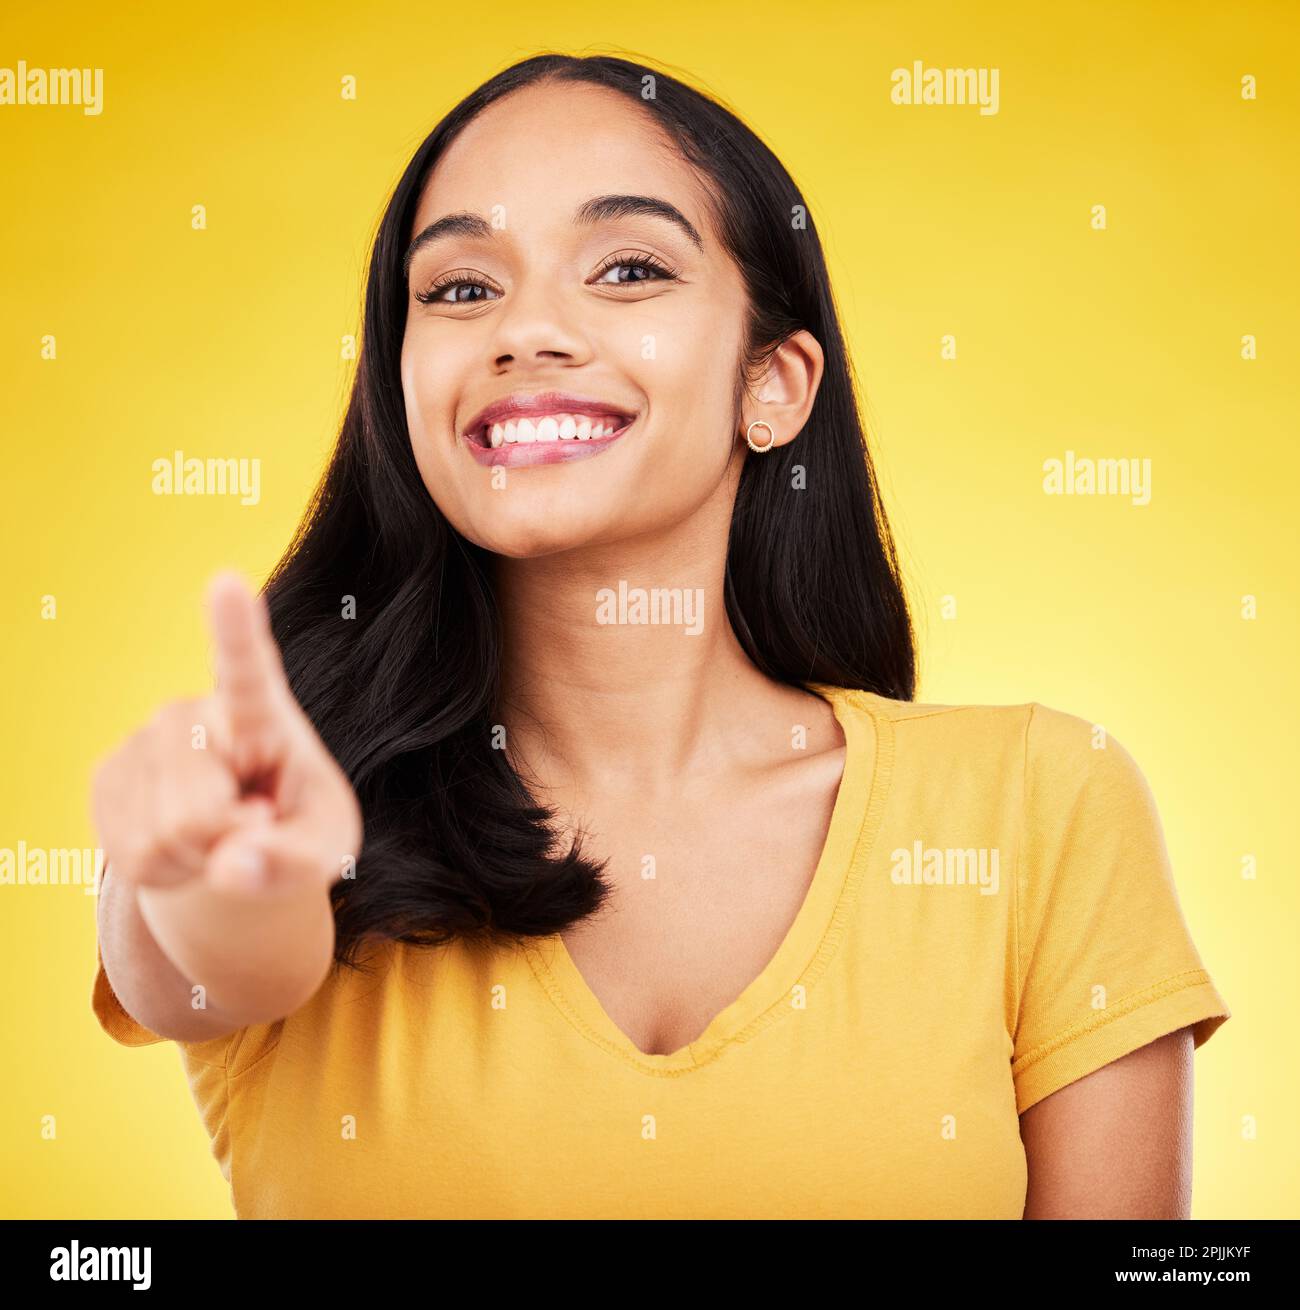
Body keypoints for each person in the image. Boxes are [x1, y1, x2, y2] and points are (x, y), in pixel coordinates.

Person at [90, 53, 1230, 1220]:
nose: (525, 329)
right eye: (460, 288)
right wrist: (223, 876)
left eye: (628, 268)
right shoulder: (273, 801)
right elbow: (204, 958)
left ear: (773, 384)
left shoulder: (1037, 807)